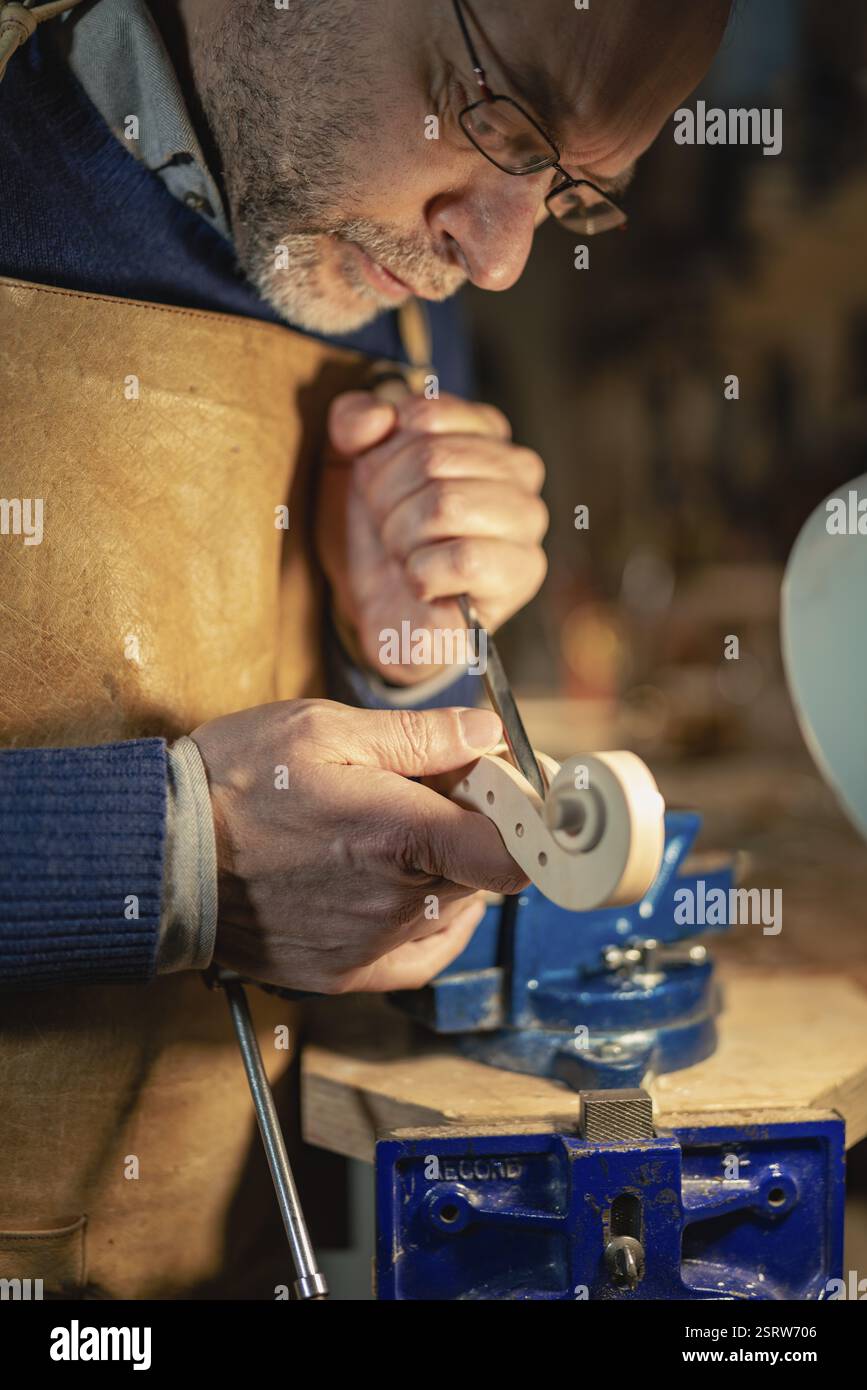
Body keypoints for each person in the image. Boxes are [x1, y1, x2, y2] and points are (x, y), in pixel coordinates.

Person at [0, 0, 732, 1297]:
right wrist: (171, 855)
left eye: (570, 196)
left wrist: (390, 649)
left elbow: (339, 806)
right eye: (500, 114)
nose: (499, 259)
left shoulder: (386, 274)